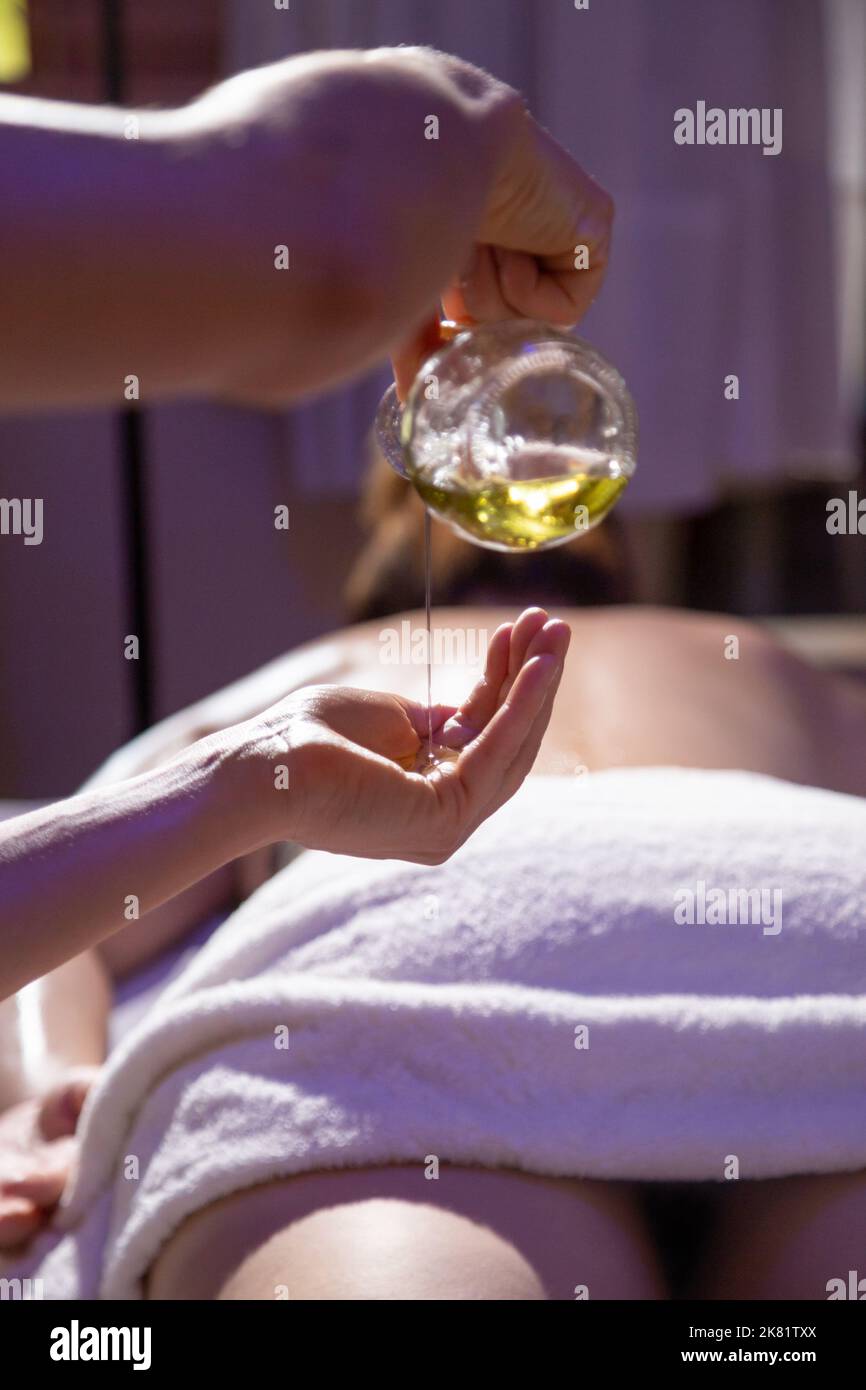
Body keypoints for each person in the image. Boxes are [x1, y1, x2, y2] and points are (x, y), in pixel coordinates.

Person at [1, 603, 864, 1296]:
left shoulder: (333, 664)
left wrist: (54, 1089)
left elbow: (85, 886)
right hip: (814, 929)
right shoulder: (761, 659)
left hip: (424, 960)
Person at [0, 45, 613, 989]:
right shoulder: (338, 671)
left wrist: (249, 780)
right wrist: (456, 124)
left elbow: (341, 251)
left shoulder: (305, 702)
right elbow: (337, 251)